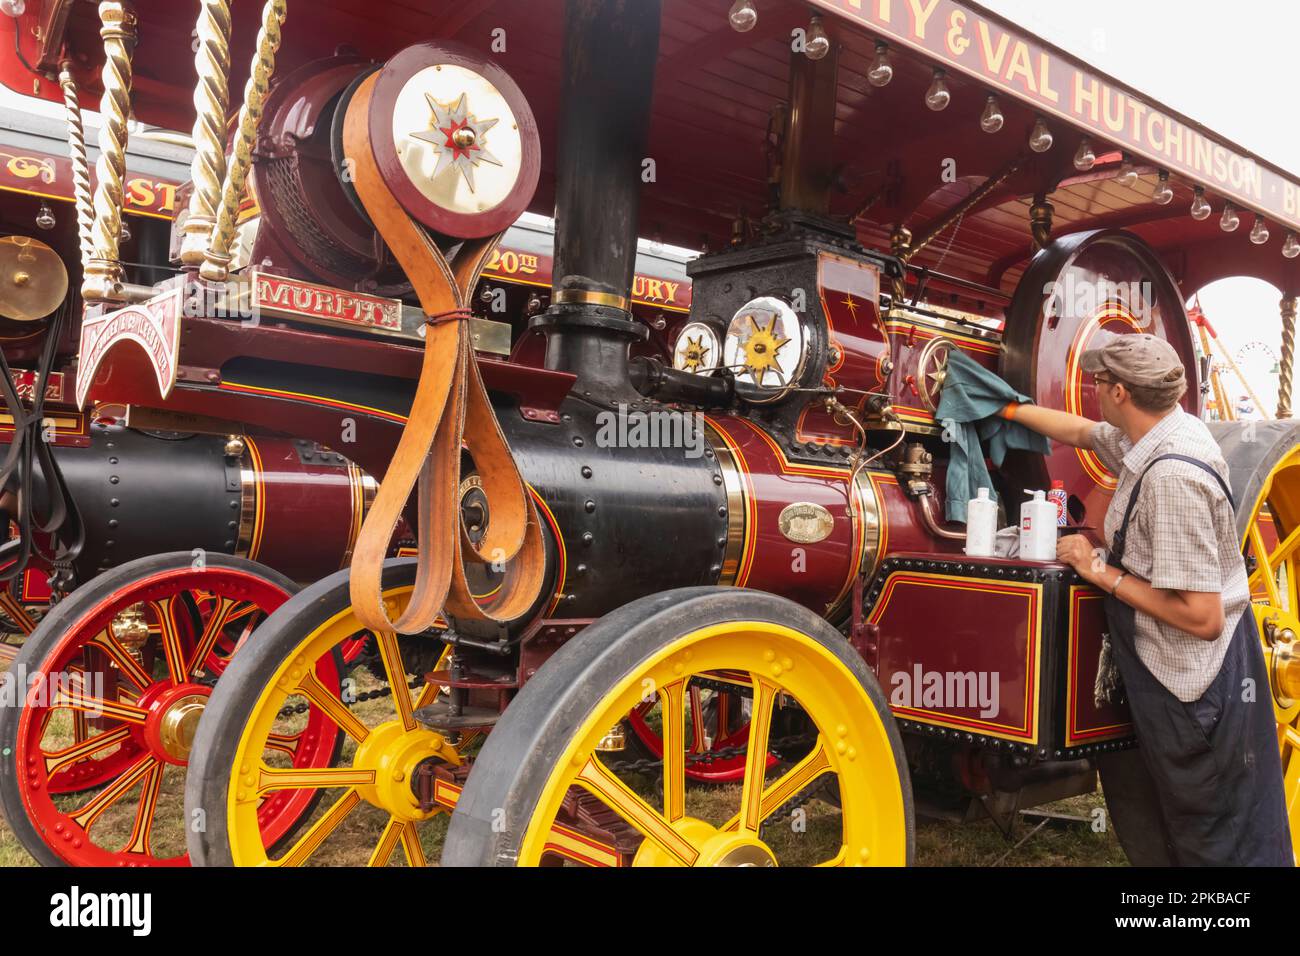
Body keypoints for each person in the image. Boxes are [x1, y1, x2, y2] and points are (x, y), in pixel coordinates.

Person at [1003, 333, 1291, 866]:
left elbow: (1201, 617)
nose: (1090, 389)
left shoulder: (1172, 478)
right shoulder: (1163, 431)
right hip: (1209, 674)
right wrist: (1009, 408)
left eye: (1096, 382)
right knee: (1201, 822)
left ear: (1118, 393)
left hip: (1195, 685)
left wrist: (1099, 572)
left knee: (1213, 831)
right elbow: (1084, 433)